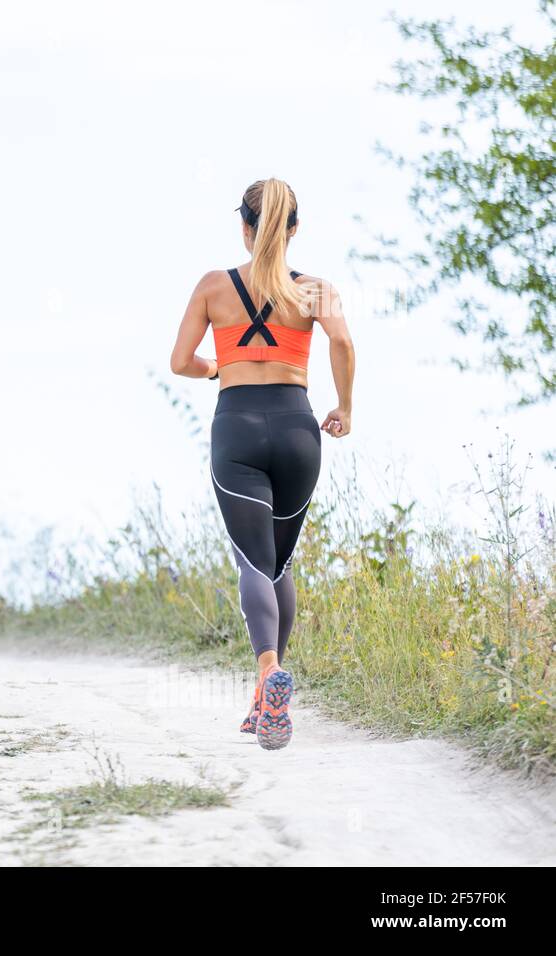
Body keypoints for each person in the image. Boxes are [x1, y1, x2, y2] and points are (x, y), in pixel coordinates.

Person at [168, 178, 355, 751]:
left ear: (243, 227)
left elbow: (180, 363)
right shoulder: (317, 291)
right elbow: (343, 345)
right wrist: (344, 407)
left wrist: (218, 370)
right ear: (294, 229)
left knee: (254, 562)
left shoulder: (211, 287)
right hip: (299, 430)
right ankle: (265, 699)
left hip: (238, 429)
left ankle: (267, 673)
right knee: (280, 563)